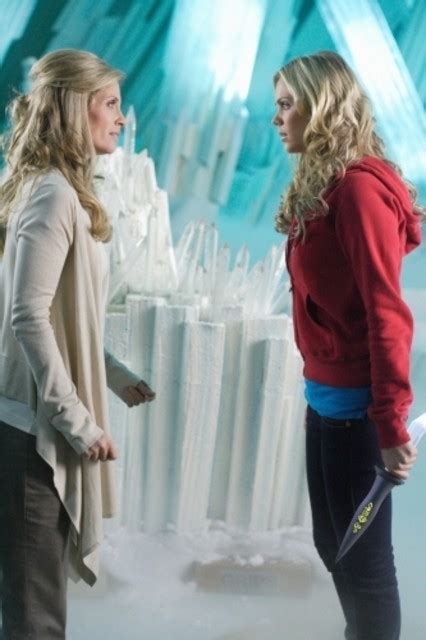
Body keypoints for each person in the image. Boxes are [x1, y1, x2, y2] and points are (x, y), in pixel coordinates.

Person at [0, 49, 155, 639]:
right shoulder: (52, 195)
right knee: (36, 618)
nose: (121, 117)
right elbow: (27, 315)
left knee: (35, 608)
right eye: (110, 104)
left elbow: (70, 316)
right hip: (32, 436)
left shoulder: (52, 189)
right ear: (73, 109)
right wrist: (78, 422)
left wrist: (113, 374)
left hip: (30, 427)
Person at [272, 51, 422, 640]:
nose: (277, 118)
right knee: (333, 545)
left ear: (321, 107)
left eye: (287, 105)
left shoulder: (358, 192)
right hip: (325, 401)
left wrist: (390, 422)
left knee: (364, 566)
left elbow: (389, 313)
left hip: (357, 413)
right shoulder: (325, 185)